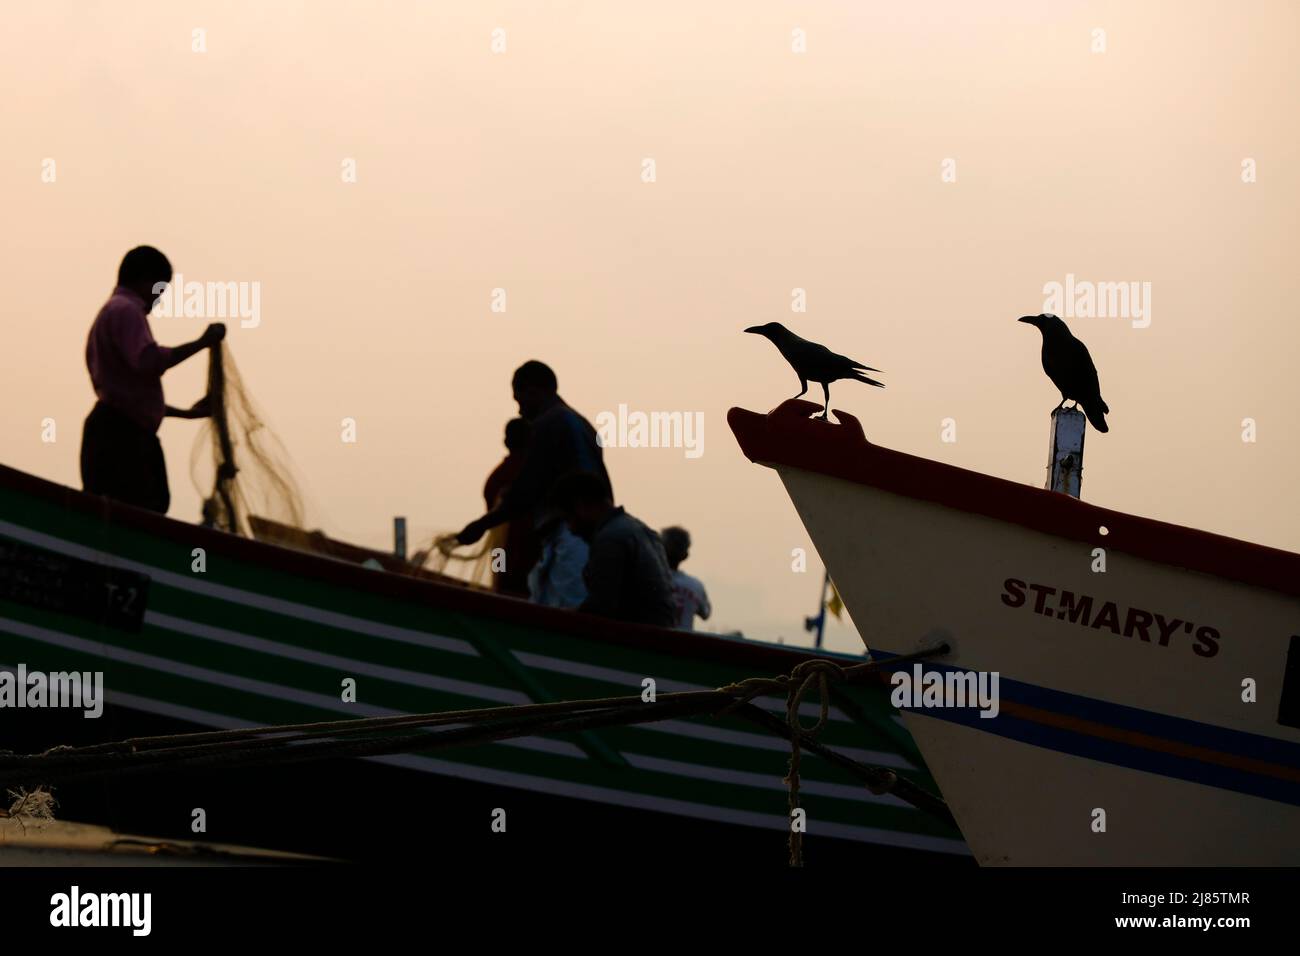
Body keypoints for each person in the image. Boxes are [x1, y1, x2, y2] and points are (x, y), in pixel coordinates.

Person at [81, 246, 225, 514]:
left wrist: (188, 413)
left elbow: (130, 399)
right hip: (122, 441)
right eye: (160, 289)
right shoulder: (125, 311)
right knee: (137, 517)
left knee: (124, 517)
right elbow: (149, 362)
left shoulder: (112, 312)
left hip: (113, 431)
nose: (160, 298)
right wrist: (202, 343)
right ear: (144, 279)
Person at [456, 361, 611, 609]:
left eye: (519, 402)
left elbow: (499, 537)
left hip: (543, 553)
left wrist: (498, 577)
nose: (520, 410)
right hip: (560, 549)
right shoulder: (580, 426)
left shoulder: (504, 476)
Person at [550, 471, 676, 627]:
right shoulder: (641, 531)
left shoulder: (611, 539)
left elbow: (599, 610)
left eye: (568, 519)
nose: (571, 530)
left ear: (581, 505)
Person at [481, 418, 540, 597]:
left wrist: (499, 575)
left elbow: (496, 537)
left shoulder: (497, 478)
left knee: (504, 592)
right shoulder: (535, 473)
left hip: (505, 557)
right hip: (531, 561)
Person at [660, 526, 711, 631]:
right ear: (685, 555)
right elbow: (706, 613)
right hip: (684, 644)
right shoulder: (696, 586)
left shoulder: (647, 580)